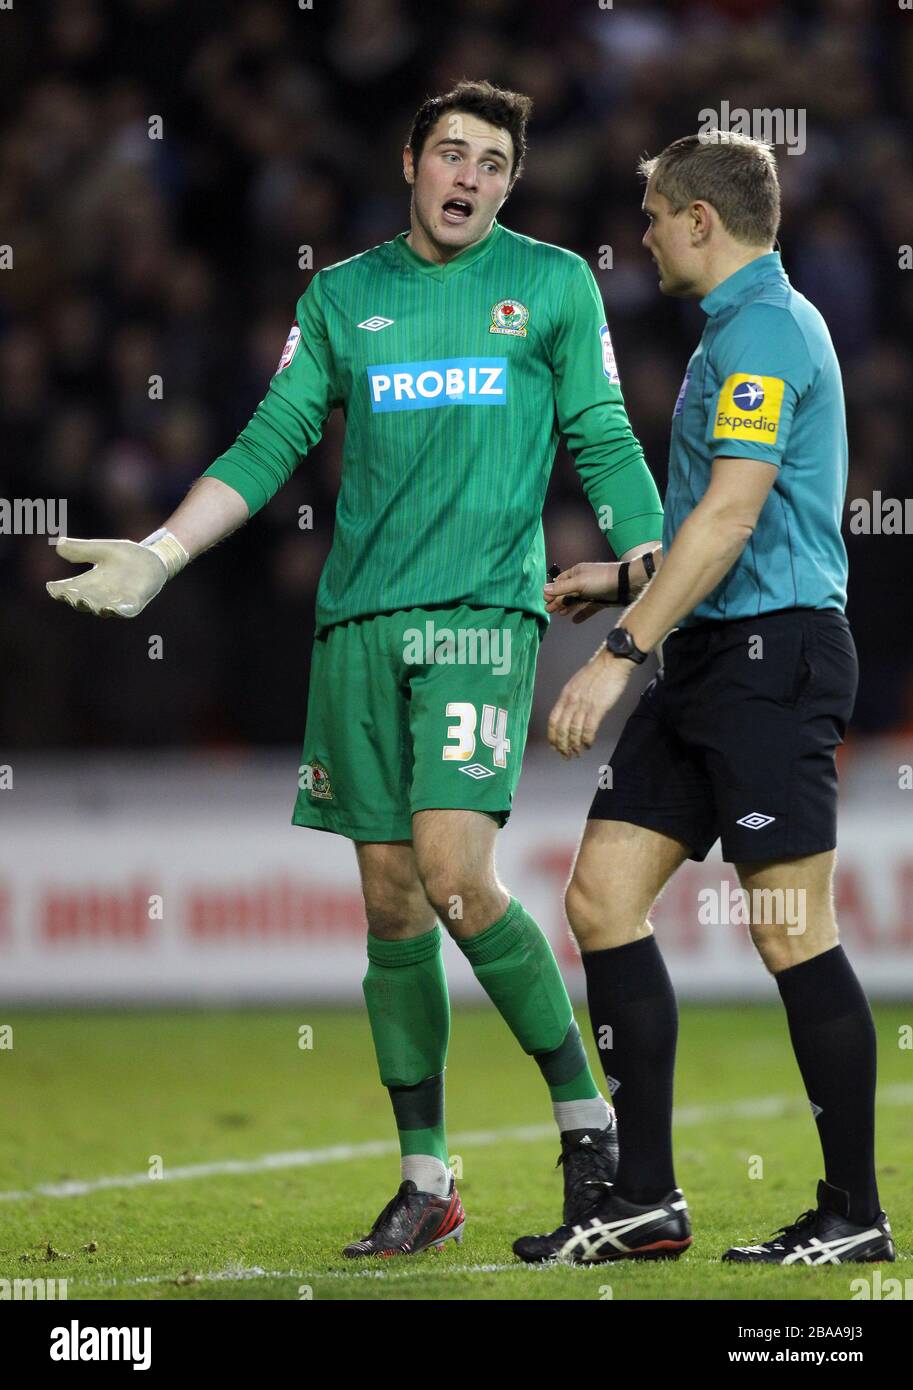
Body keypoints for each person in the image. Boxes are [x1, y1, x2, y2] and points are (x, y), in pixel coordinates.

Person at [47, 80, 663, 1258]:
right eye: (451, 153)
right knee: (390, 903)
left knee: (451, 873)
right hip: (358, 628)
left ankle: (591, 1129)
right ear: (412, 163)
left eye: (492, 161)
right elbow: (273, 434)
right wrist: (164, 554)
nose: (469, 177)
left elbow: (599, 430)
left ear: (510, 183)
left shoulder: (550, 284)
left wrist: (644, 546)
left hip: (481, 620)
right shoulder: (342, 296)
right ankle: (427, 1177)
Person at [513, 130, 895, 1266]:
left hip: (773, 662)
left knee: (789, 931)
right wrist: (626, 576)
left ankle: (852, 1211)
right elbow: (726, 524)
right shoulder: (736, 330)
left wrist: (619, 650)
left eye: (651, 217)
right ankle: (644, 1199)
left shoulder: (768, 329)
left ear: (698, 221)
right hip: (714, 658)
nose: (640, 237)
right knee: (598, 901)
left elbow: (732, 521)